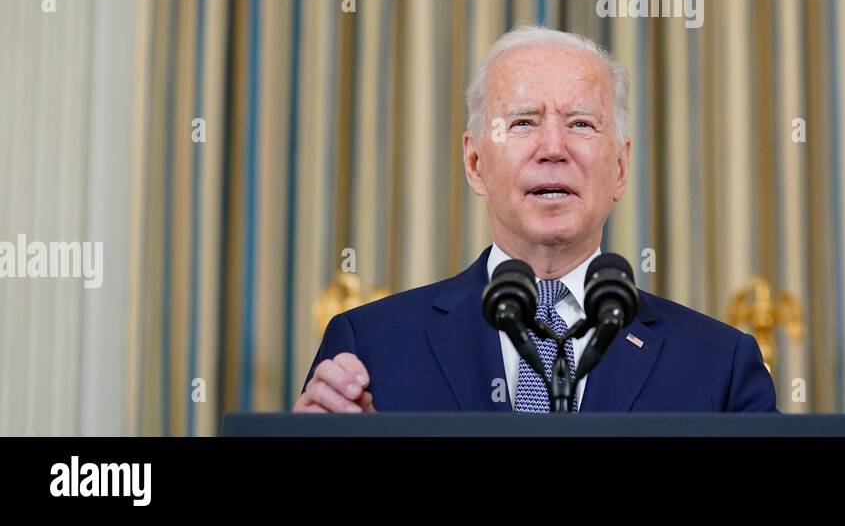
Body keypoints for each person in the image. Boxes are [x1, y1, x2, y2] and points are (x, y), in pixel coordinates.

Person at [295, 25, 777, 413]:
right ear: (476, 163)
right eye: (523, 122)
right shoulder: (372, 348)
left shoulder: (719, 364)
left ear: (621, 168)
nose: (553, 149)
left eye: (581, 124)